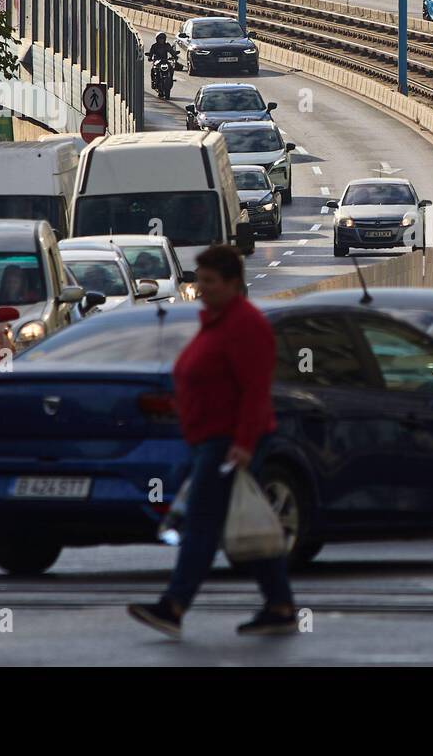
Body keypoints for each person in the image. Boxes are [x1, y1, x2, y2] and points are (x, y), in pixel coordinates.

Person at [128, 244, 297, 638]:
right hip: (208, 439)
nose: (201, 289)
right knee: (239, 520)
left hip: (226, 443)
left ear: (233, 283)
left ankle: (174, 605)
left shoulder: (245, 325)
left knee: (202, 526)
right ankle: (280, 603)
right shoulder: (217, 321)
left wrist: (243, 443)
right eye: (198, 281)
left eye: (209, 282)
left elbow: (255, 390)